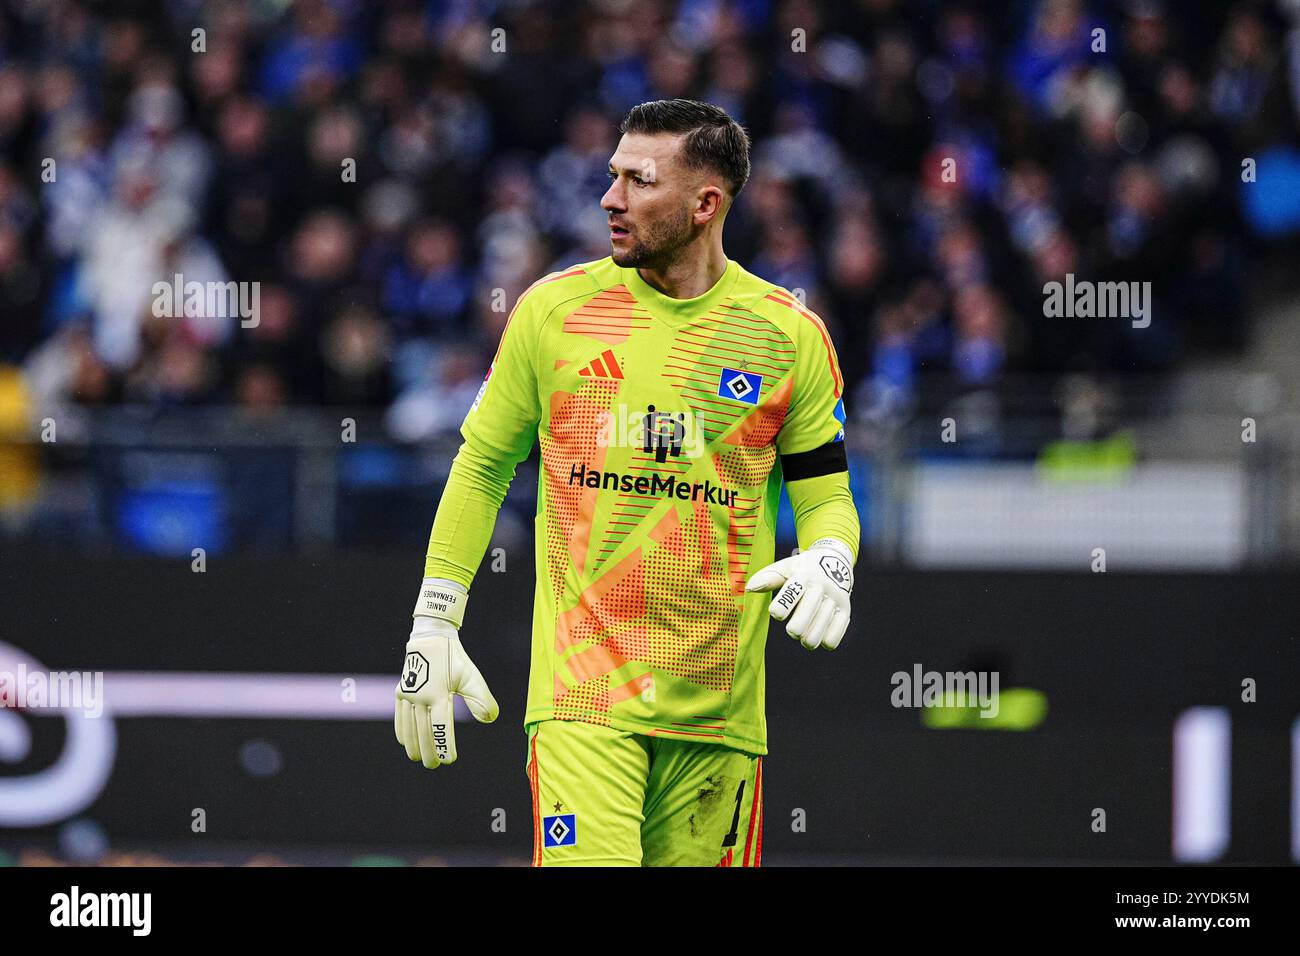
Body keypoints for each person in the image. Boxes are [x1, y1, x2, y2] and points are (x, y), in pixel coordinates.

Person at [394, 99, 859, 866]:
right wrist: (435, 618)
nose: (610, 199)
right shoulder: (553, 312)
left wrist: (832, 555)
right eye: (612, 177)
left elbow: (825, 495)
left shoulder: (788, 337)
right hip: (582, 699)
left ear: (705, 204)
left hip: (718, 714)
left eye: (638, 182)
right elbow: (481, 463)